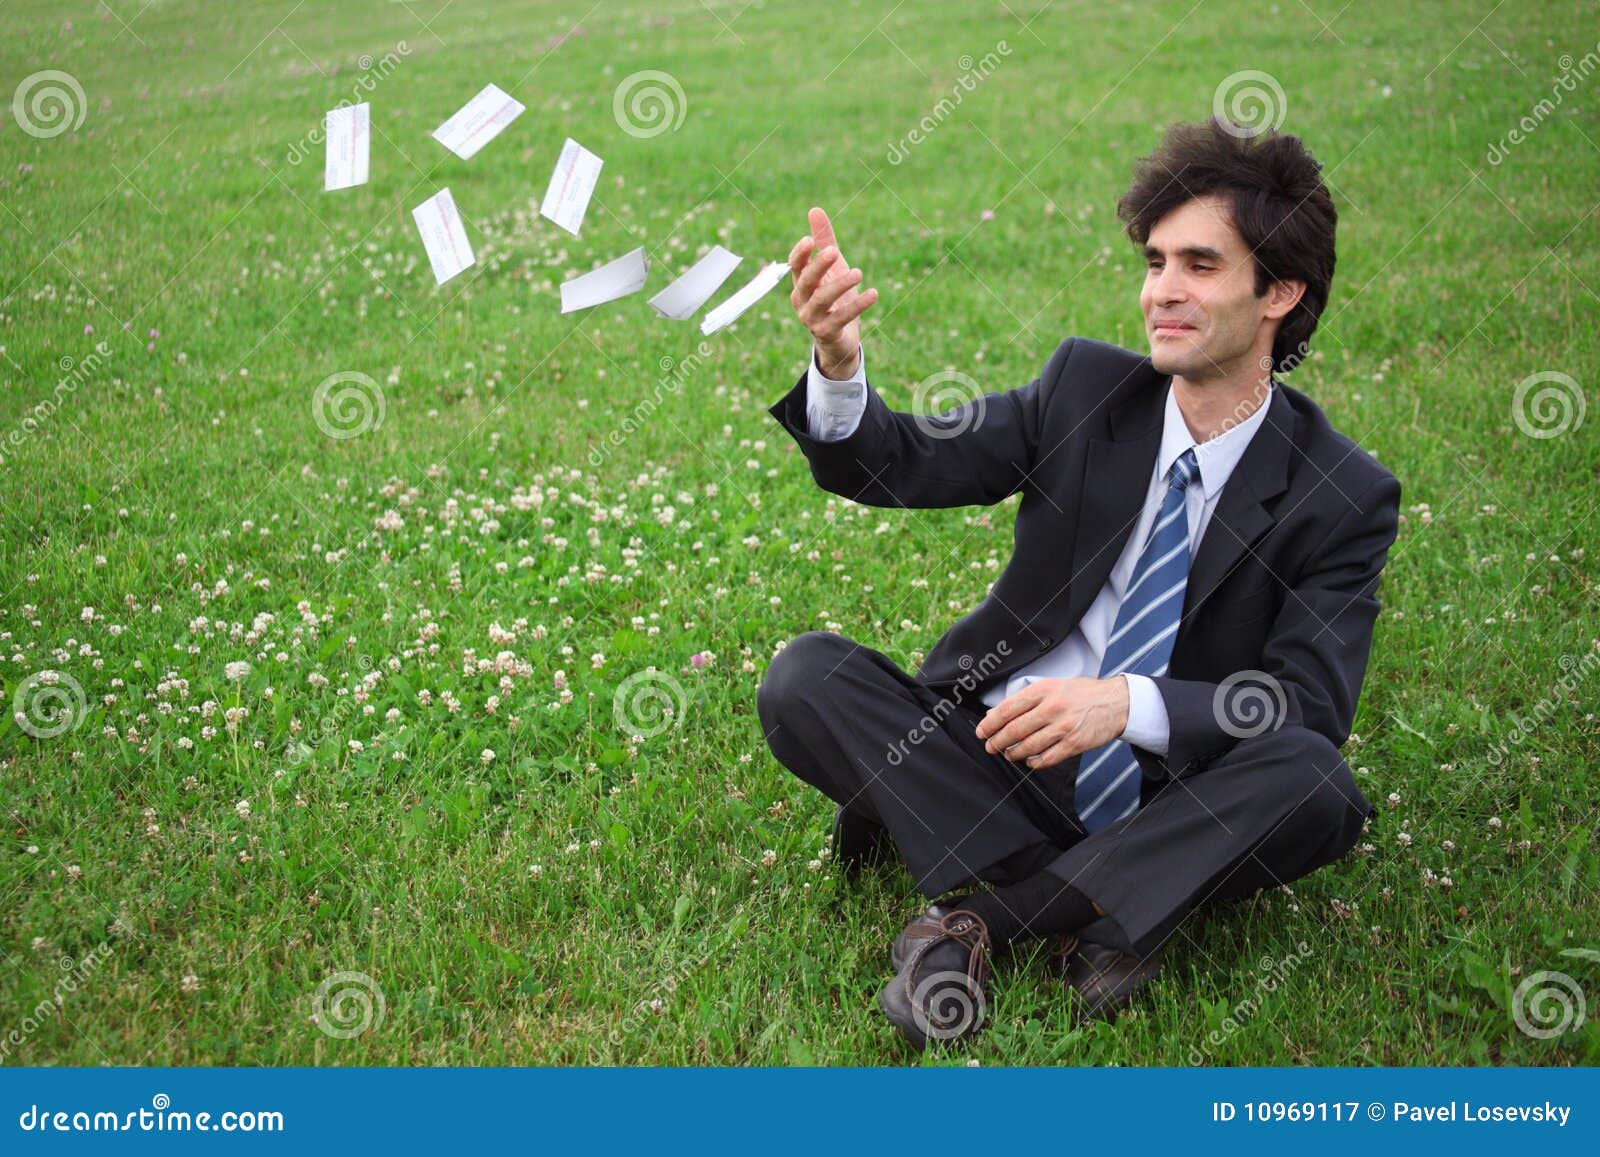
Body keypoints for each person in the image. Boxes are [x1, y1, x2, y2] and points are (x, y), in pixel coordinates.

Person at [758, 116, 1401, 1050]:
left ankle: (981, 921)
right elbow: (899, 465)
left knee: (1315, 781)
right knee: (805, 676)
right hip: (992, 756)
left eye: (1200, 265)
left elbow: (1304, 705)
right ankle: (1107, 913)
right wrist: (839, 365)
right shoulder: (1086, 392)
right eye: (1154, 261)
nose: (1162, 293)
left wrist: (1126, 703)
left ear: (1282, 292)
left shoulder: (1340, 493)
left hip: (1168, 792)